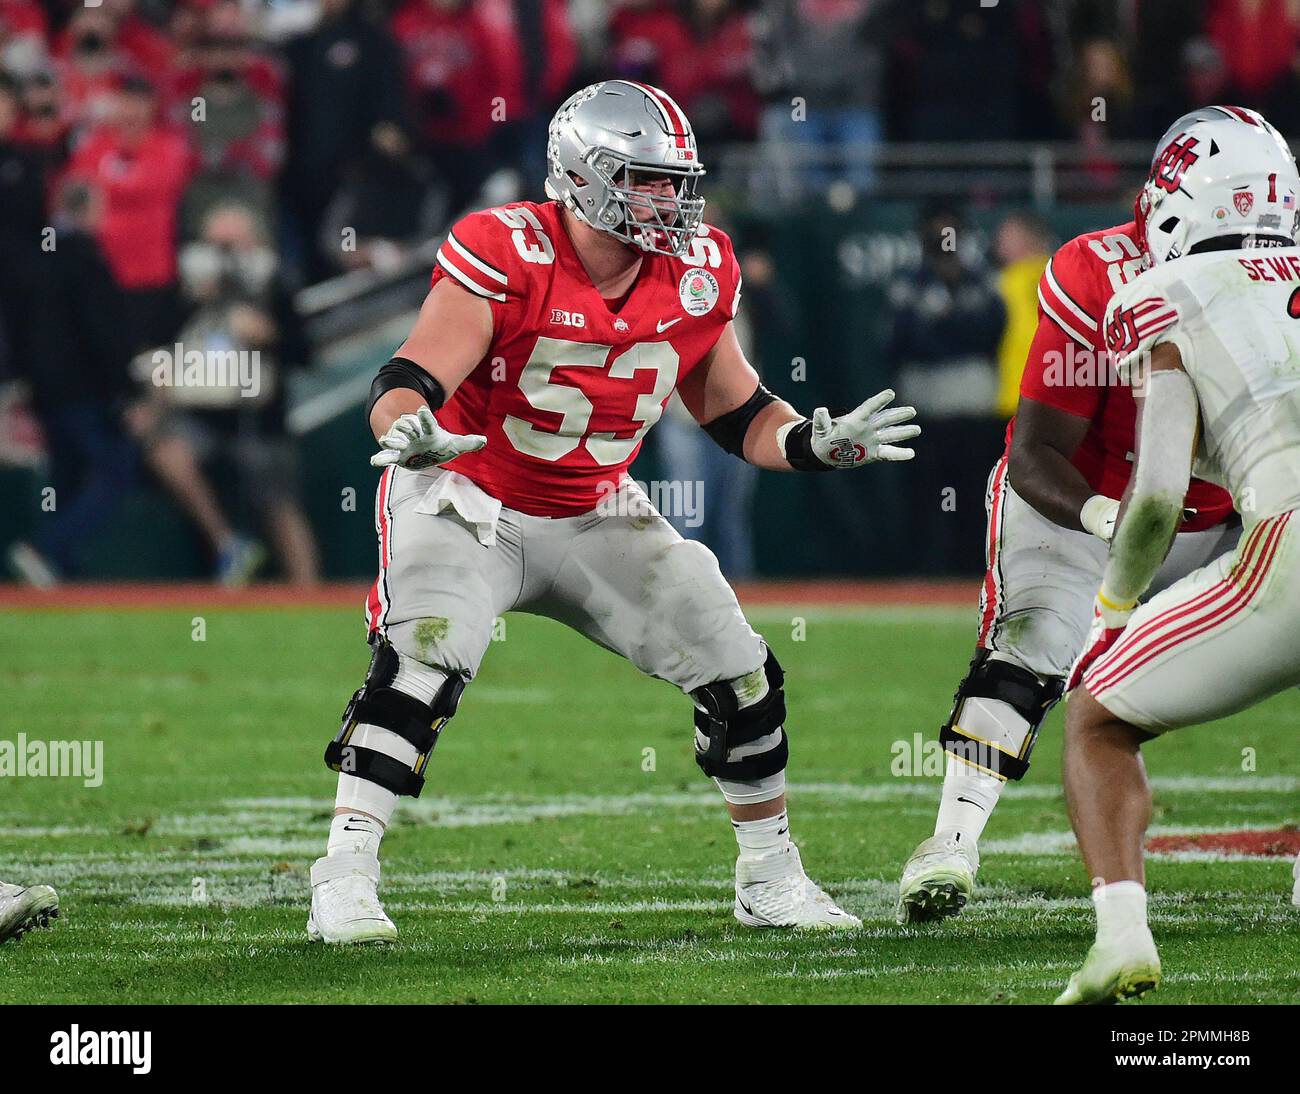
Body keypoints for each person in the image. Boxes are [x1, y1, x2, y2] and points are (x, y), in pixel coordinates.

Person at [308, 80, 920, 944]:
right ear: (580, 176)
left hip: (595, 507)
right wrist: (407, 431)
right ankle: (344, 874)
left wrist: (814, 445)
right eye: (645, 178)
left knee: (739, 667)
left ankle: (770, 878)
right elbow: (409, 378)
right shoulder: (506, 246)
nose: (668, 199)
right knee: (423, 661)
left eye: (676, 180)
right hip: (468, 497)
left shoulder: (699, 268)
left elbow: (737, 413)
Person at [896, 131, 1246, 925]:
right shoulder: (1096, 273)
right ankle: (952, 838)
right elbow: (1036, 453)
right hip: (1085, 501)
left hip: (1220, 515)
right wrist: (1105, 518)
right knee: (1035, 646)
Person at [1058, 106, 1300, 1004]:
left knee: (1096, 717)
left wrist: (1110, 613)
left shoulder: (1165, 292)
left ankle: (1121, 937)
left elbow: (1158, 492)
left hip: (1290, 540)